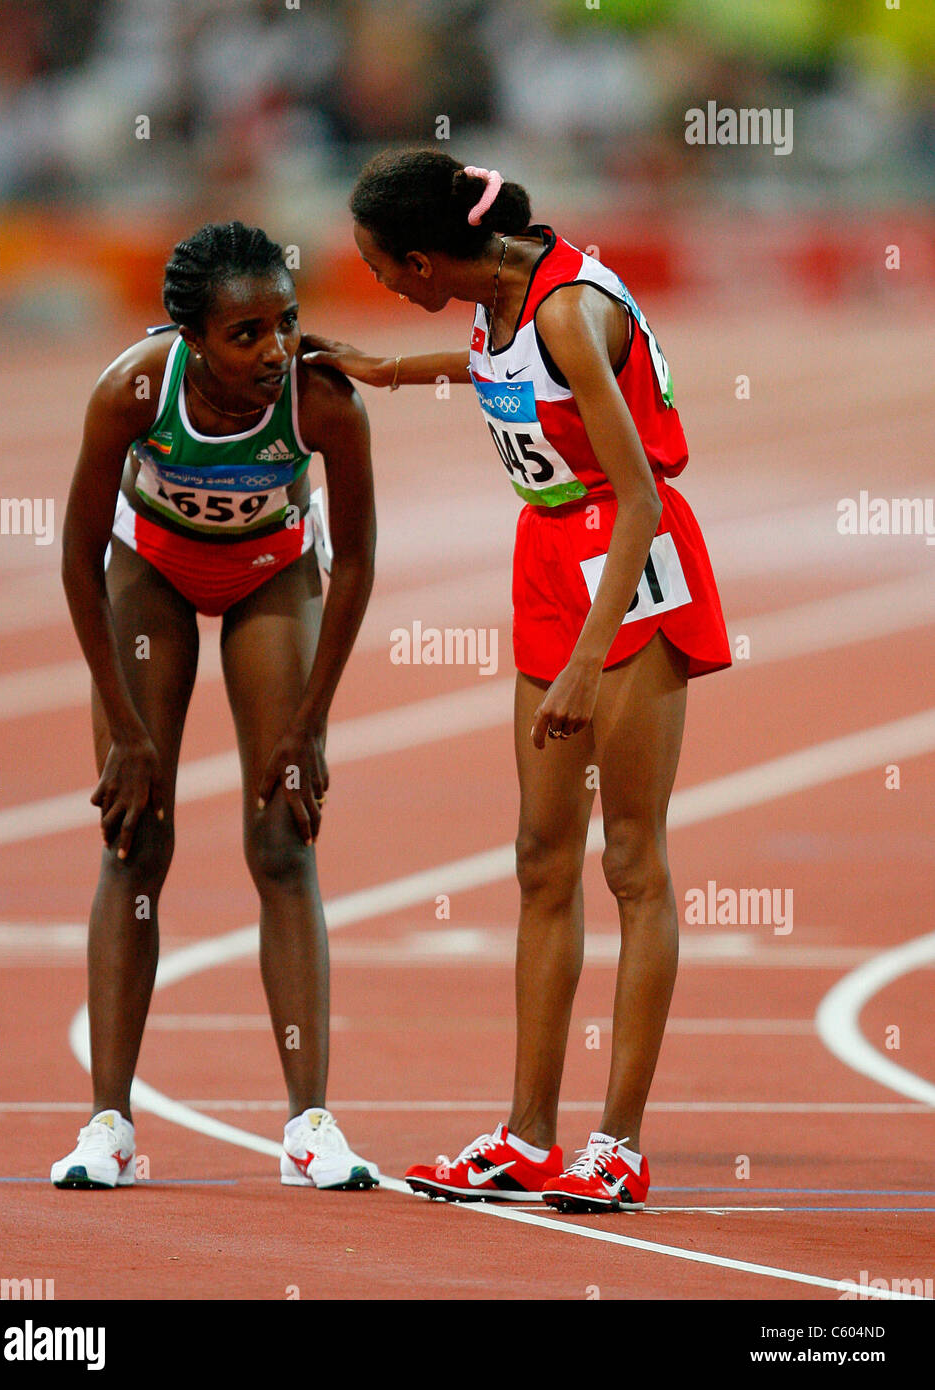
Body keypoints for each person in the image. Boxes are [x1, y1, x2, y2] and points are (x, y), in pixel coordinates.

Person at [303, 151, 731, 1213]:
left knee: (632, 860)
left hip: (629, 568)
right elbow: (498, 372)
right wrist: (384, 366)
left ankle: (618, 1144)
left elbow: (639, 497)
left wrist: (590, 657)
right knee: (542, 859)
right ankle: (528, 1136)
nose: (380, 285)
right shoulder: (500, 291)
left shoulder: (569, 312)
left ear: (423, 257)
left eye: (381, 270)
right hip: (546, 557)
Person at [53, 221, 379, 1192]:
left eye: (286, 322)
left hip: (272, 577)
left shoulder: (321, 400)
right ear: (191, 337)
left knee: (284, 836)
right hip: (149, 573)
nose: (274, 347)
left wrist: (311, 720)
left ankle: (310, 1123)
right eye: (247, 334)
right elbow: (75, 557)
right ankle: (109, 1124)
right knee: (135, 839)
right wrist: (126, 727)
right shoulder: (133, 393)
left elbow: (354, 557)